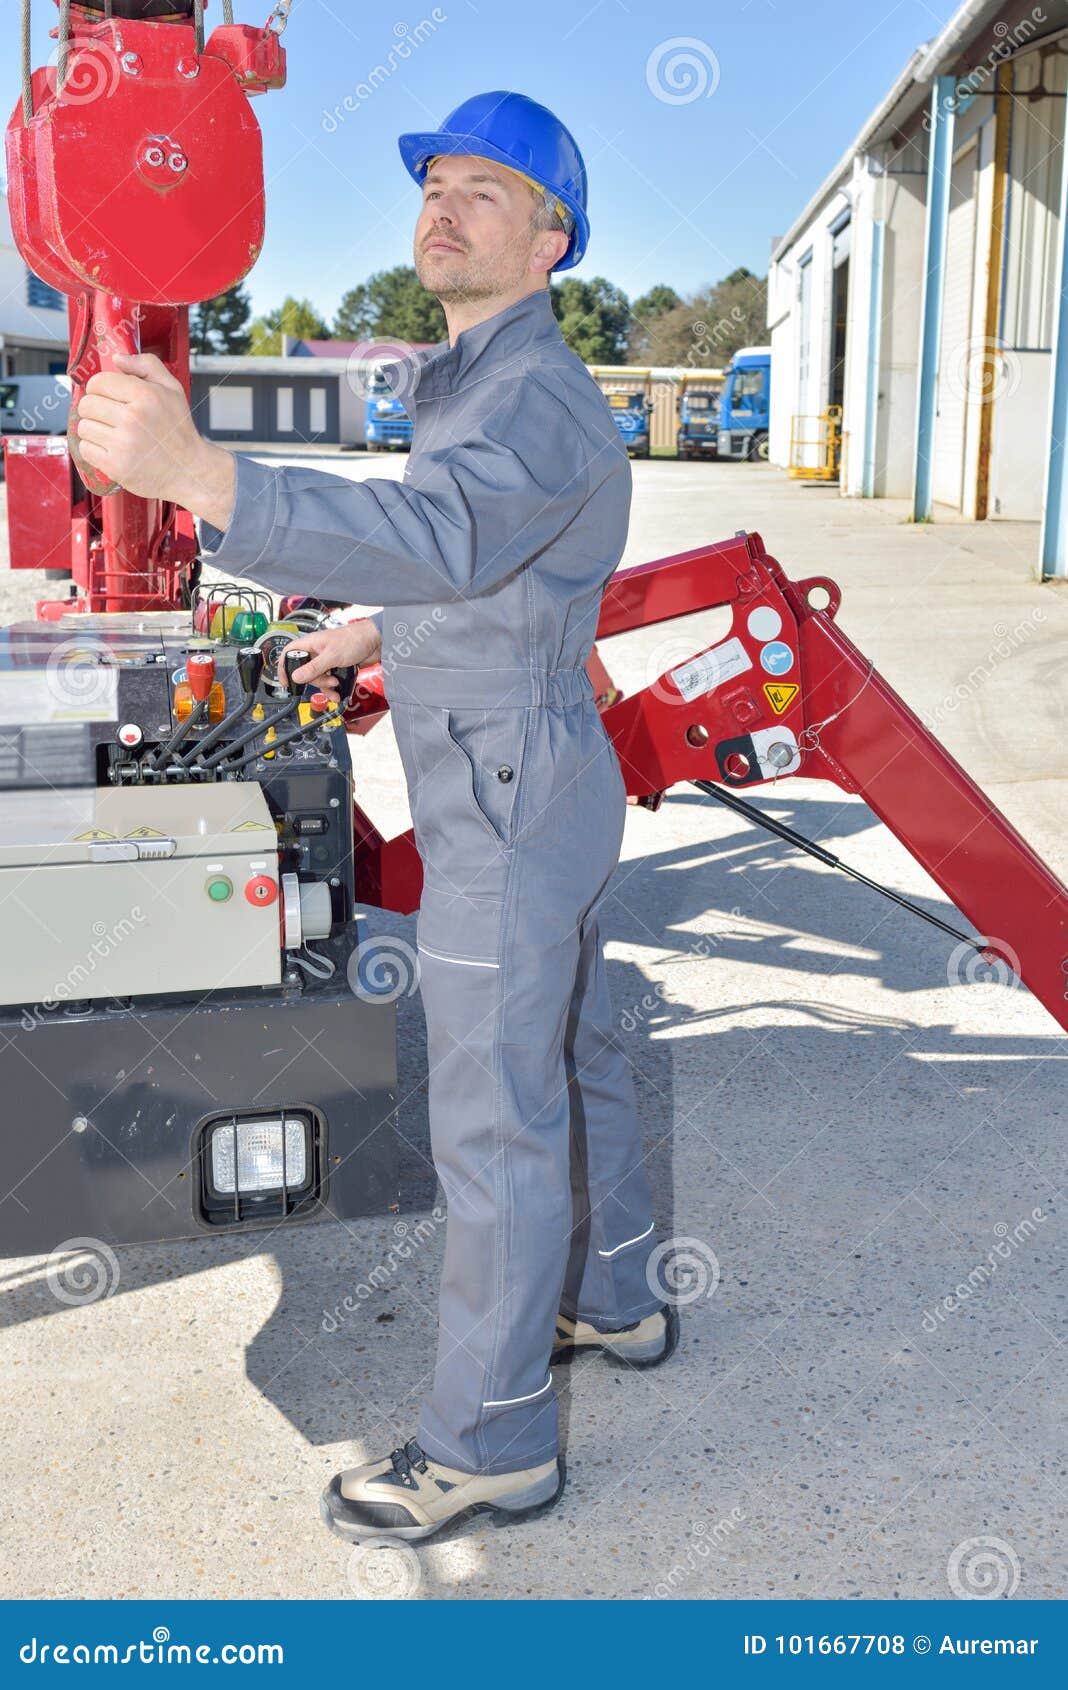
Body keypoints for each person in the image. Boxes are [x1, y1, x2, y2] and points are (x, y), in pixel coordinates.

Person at [73, 91, 676, 1545]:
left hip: (508, 793)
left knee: (493, 1119)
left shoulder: (533, 394)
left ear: (553, 241)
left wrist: (205, 476)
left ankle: (494, 1444)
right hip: (538, 766)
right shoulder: (480, 377)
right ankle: (619, 1298)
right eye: (434, 186)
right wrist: (366, 634)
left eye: (487, 192)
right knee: (578, 1046)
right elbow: (488, 573)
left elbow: (446, 534)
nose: (444, 209)